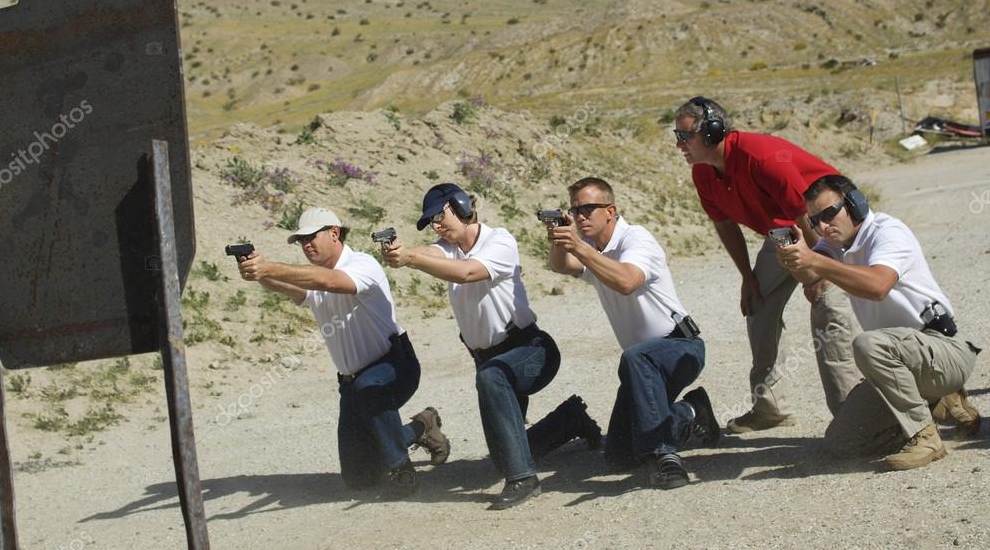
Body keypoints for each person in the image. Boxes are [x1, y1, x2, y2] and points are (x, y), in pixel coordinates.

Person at [382, 183, 601, 510]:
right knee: (503, 457)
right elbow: (431, 253)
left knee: (492, 378)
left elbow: (469, 272)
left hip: (531, 351)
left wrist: (410, 258)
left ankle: (524, 479)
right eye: (431, 222)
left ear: (461, 207)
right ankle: (570, 420)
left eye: (440, 217)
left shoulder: (499, 240)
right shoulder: (449, 248)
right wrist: (403, 253)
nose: (436, 226)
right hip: (491, 361)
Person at [674, 96, 862, 432]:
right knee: (758, 305)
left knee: (828, 308)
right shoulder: (703, 172)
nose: (679, 144)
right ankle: (770, 408)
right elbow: (724, 224)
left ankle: (854, 419)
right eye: (677, 136)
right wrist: (748, 277)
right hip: (784, 232)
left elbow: (807, 213)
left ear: (713, 131)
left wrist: (822, 268)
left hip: (828, 227)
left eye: (685, 136)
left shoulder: (762, 156)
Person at [236, 207, 450, 498]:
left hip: (394, 367)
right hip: (352, 384)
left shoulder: (362, 264)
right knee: (359, 477)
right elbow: (292, 287)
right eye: (301, 241)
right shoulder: (313, 278)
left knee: (370, 390)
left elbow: (330, 282)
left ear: (334, 233)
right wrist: (257, 273)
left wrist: (268, 267)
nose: (306, 245)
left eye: (311, 237)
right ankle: (421, 427)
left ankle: (402, 471)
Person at [776, 175, 982, 470]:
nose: (822, 226)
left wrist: (815, 261)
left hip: (942, 349)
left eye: (829, 214)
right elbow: (811, 274)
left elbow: (878, 286)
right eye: (814, 221)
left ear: (855, 204)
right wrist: (794, 258)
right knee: (843, 442)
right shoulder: (836, 243)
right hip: (900, 361)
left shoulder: (887, 231)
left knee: (868, 344)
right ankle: (942, 404)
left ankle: (925, 437)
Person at [547, 177, 719, 489]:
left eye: (587, 209)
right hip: (641, 367)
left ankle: (665, 456)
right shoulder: (592, 248)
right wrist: (560, 241)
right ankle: (692, 411)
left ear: (610, 211)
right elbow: (561, 266)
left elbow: (627, 281)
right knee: (620, 454)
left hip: (679, 347)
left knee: (638, 359)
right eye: (574, 211)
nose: (580, 216)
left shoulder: (636, 239)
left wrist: (579, 248)